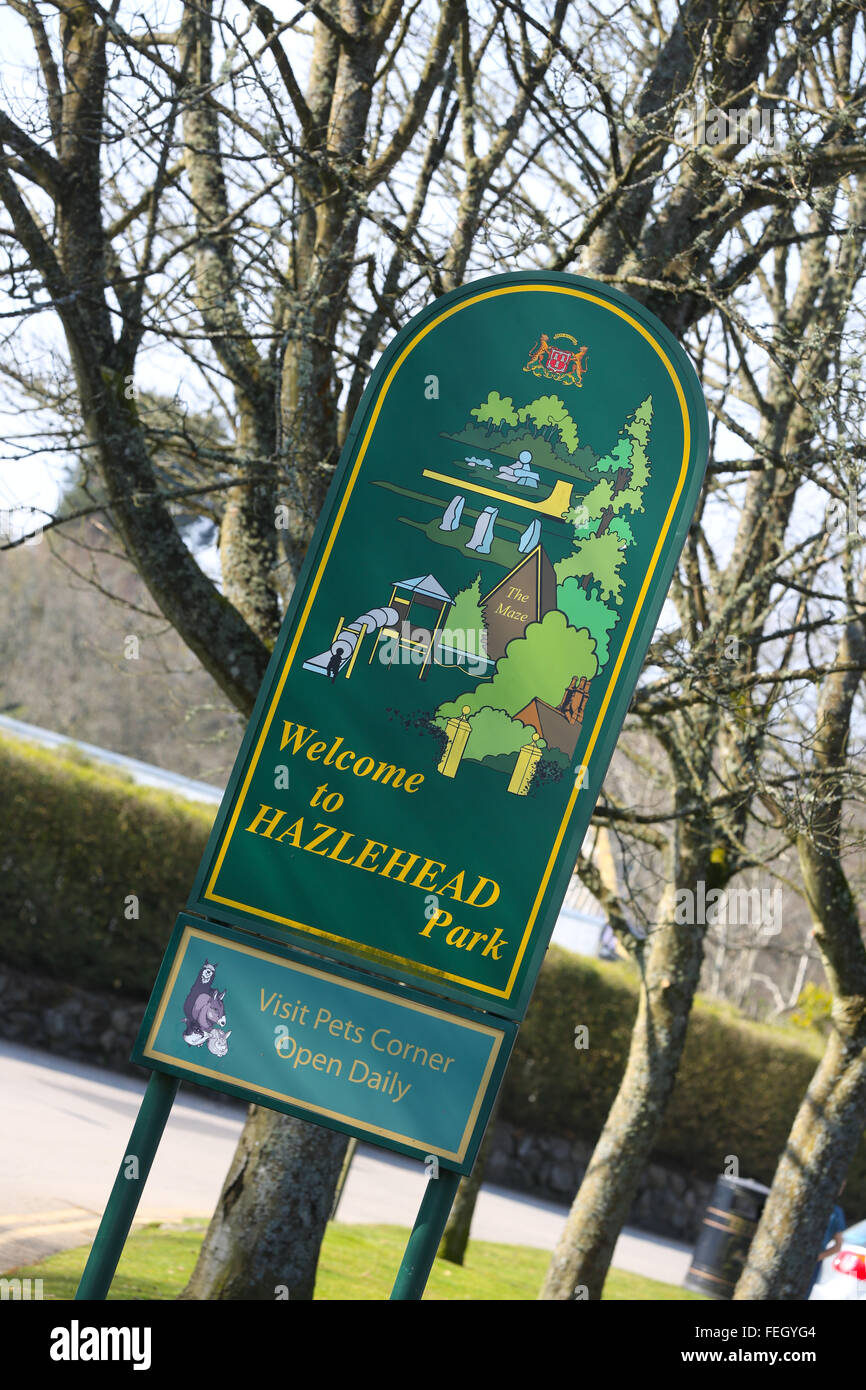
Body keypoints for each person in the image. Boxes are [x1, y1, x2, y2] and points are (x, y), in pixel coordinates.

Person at [806, 1180, 847, 1297]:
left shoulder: (837, 1212)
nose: (840, 1189)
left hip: (813, 1264)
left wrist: (817, 1257)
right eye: (840, 1185)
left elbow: (838, 1245)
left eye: (843, 1186)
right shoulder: (809, 1203)